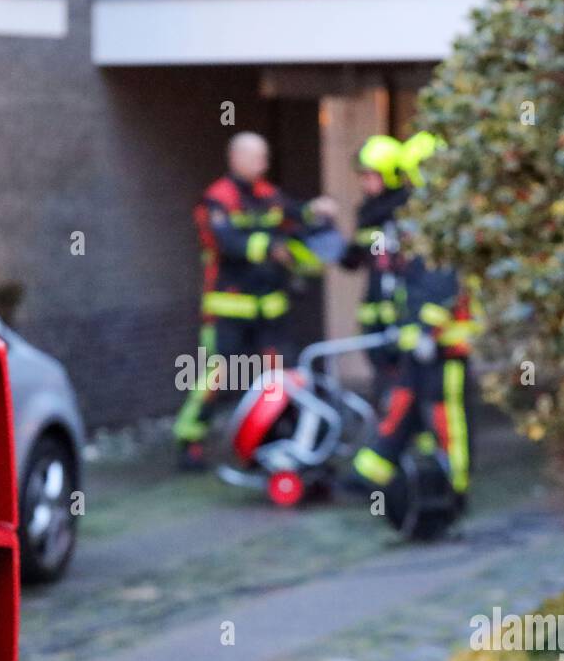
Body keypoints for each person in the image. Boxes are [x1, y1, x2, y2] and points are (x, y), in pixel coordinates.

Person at [173, 132, 336, 470]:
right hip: (229, 308)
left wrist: (314, 210)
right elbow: (226, 241)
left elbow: (297, 215)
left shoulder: (269, 195)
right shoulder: (218, 198)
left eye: (265, 157)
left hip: (271, 308)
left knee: (281, 377)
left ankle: (276, 436)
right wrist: (269, 247)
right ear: (236, 158)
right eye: (256, 157)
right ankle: (190, 440)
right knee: (217, 375)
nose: (263, 163)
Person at [350, 132, 484, 513]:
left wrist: (425, 328)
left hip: (446, 342)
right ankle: (379, 475)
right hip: (418, 340)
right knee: (405, 404)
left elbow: (444, 280)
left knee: (448, 418)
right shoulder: (422, 215)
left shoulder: (449, 217)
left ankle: (455, 490)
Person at [340, 135, 413, 404]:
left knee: (407, 377)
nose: (364, 182)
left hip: (401, 308)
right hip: (374, 308)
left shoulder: (406, 211)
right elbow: (355, 259)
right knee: (383, 376)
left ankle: (418, 438)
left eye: (370, 175)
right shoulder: (367, 212)